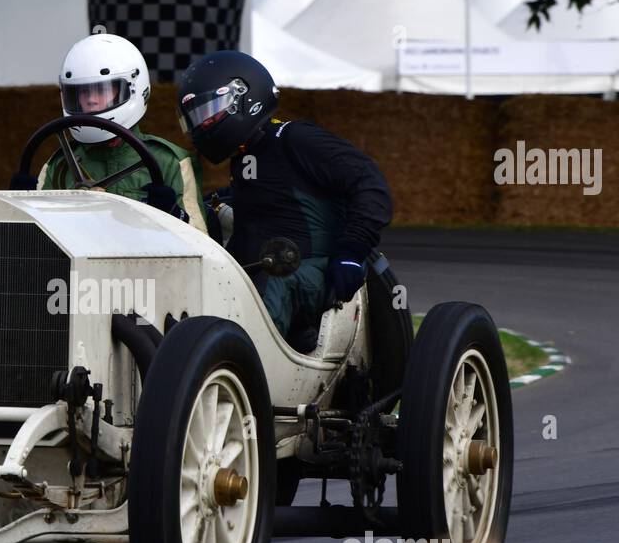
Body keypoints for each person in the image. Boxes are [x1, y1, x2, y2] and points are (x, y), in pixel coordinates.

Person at [174, 50, 393, 352]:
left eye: (209, 111)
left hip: (313, 269)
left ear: (242, 96)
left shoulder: (295, 138)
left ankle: (237, 368)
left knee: (271, 281)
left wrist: (352, 251)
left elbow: (371, 184)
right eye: (197, 118)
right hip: (267, 268)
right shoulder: (246, 157)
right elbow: (264, 201)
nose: (203, 124)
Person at [36, 33, 218, 238]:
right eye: (83, 93)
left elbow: (200, 243)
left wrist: (174, 215)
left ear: (133, 89)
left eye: (102, 90)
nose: (91, 101)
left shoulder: (171, 161)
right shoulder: (57, 165)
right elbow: (36, 243)